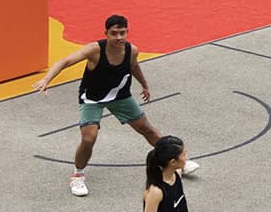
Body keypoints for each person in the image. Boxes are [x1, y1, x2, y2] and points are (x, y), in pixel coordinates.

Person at [34, 14, 199, 195]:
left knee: (148, 129)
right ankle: (77, 176)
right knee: (89, 138)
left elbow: (134, 66)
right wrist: (46, 79)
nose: (119, 37)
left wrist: (144, 85)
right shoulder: (94, 50)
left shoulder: (131, 50)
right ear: (106, 33)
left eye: (122, 33)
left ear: (127, 32)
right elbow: (65, 61)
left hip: (120, 96)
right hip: (93, 98)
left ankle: (177, 162)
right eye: (114, 33)